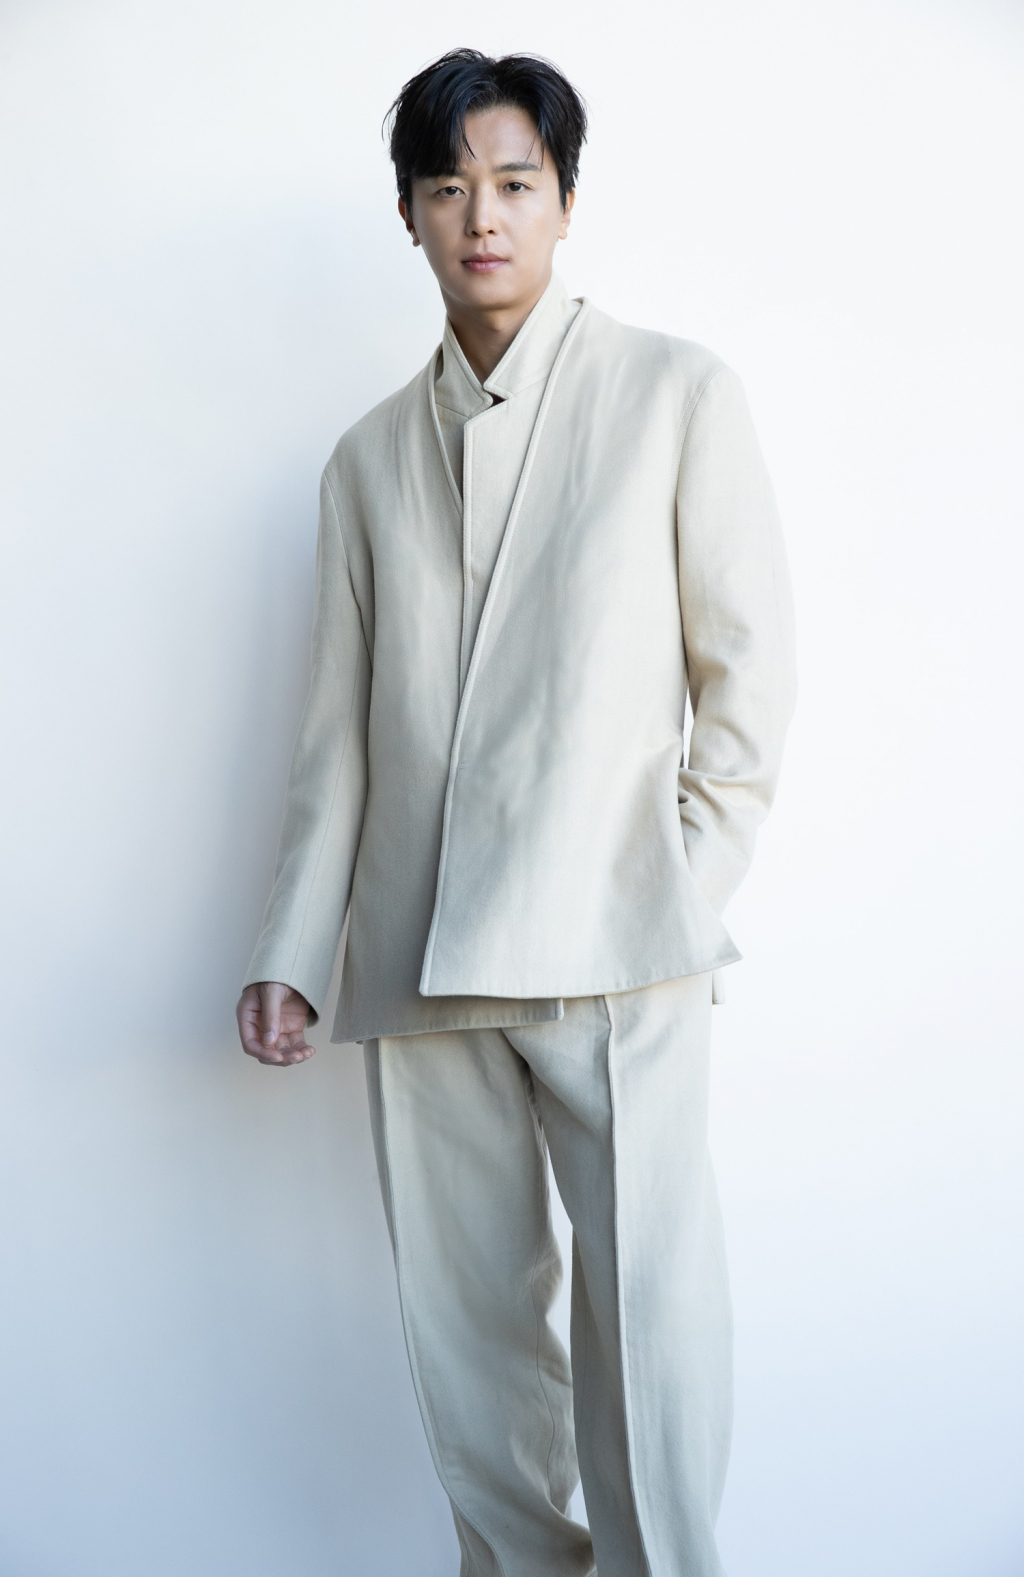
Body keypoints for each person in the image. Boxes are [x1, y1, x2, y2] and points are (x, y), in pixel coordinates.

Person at [236, 47, 796, 1577]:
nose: (481, 215)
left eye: (512, 182)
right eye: (447, 186)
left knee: (652, 1344)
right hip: (419, 963)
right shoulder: (364, 461)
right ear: (410, 215)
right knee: (473, 1361)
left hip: (618, 951)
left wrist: (674, 882)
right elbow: (336, 739)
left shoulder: (675, 394)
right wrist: (291, 947)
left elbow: (747, 677)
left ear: (563, 200)